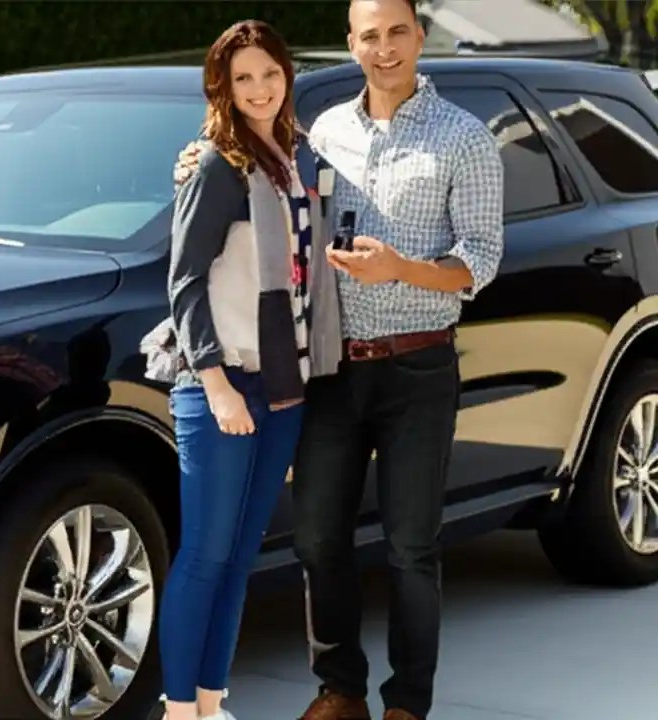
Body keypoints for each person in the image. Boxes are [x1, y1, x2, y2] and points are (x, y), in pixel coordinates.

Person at [172, 1, 504, 719]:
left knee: (412, 546)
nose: (384, 49)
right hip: (328, 367)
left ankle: (407, 703)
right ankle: (340, 691)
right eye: (369, 36)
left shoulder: (465, 138)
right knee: (319, 538)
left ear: (419, 36)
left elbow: (480, 262)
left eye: (397, 33)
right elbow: (249, 168)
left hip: (419, 367)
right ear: (351, 44)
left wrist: (401, 269)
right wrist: (198, 155)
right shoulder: (320, 133)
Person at [141, 18, 343, 720]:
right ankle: (176, 711)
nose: (259, 88)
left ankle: (210, 702)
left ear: (287, 77)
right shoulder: (217, 164)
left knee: (238, 557)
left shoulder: (296, 157)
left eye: (269, 73)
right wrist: (216, 383)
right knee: (203, 554)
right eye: (243, 77)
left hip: (281, 383)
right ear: (222, 87)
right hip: (220, 385)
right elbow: (184, 281)